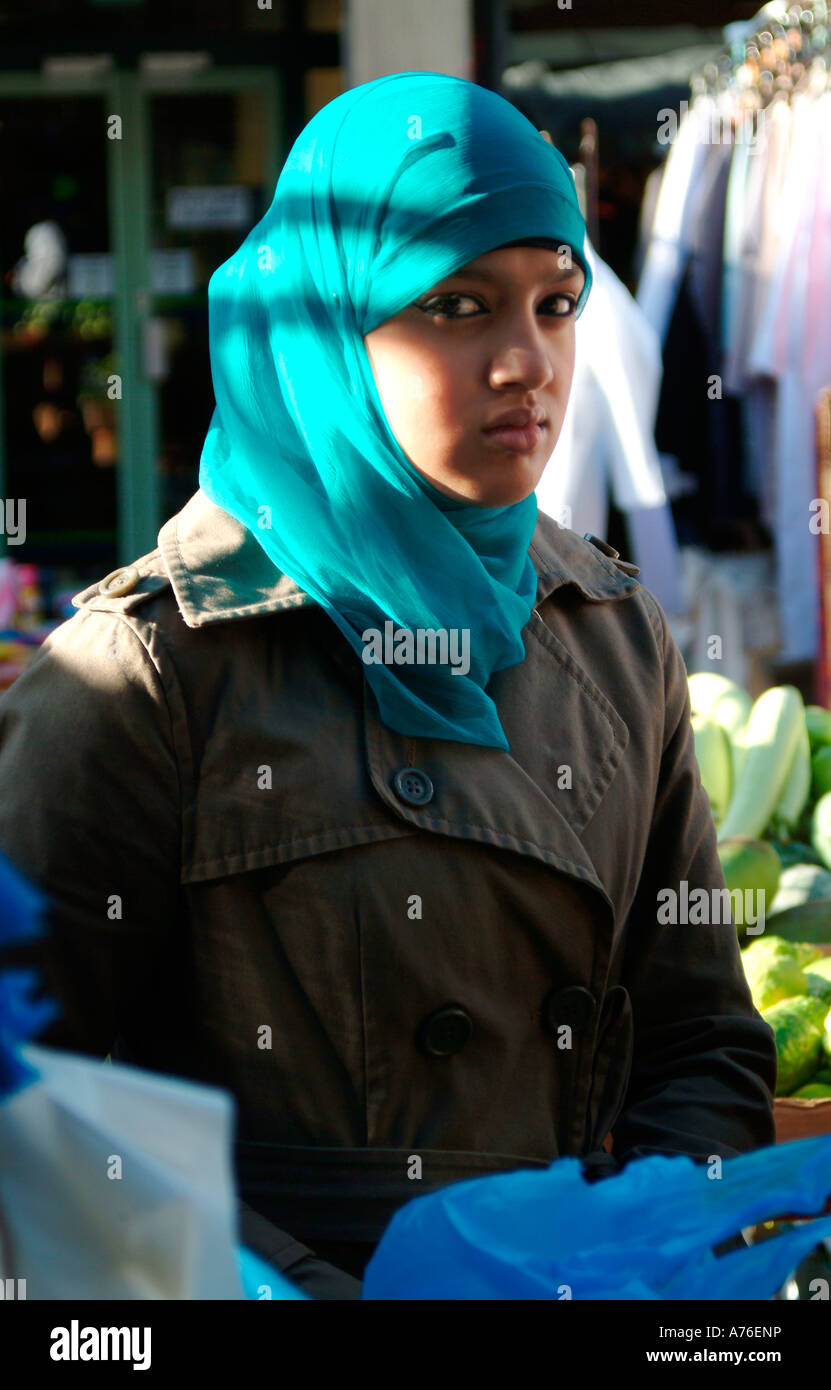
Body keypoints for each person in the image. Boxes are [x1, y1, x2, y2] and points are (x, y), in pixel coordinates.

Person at [0, 72, 776, 1301]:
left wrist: (645, 1251)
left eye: (558, 304)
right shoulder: (147, 672)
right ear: (326, 329)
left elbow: (701, 1037)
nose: (529, 361)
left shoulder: (613, 633)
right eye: (458, 305)